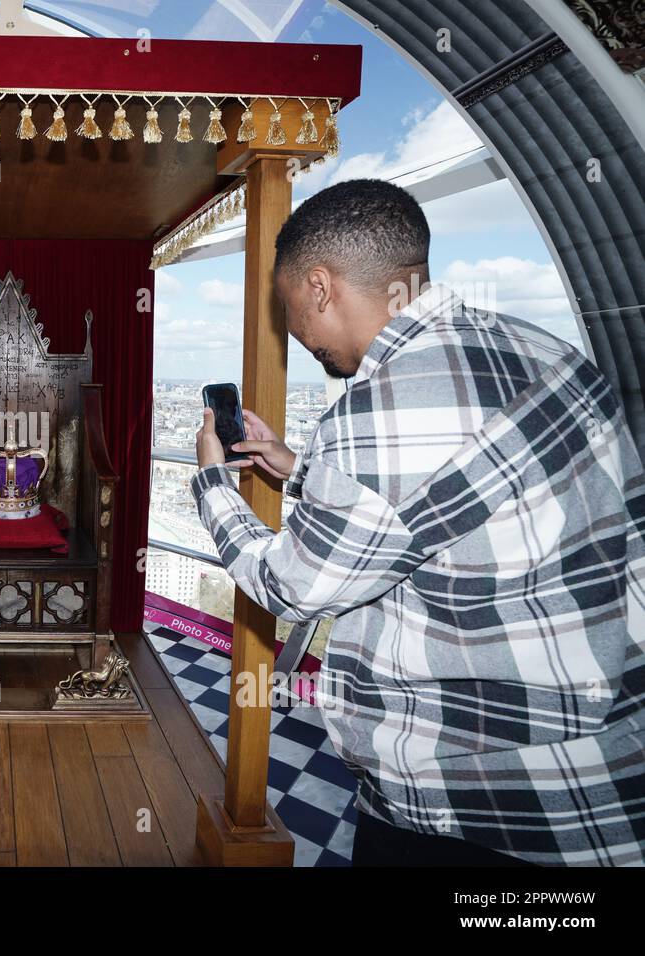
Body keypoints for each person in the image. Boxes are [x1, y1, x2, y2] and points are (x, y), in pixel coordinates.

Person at [191, 178, 645, 867]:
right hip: (602, 784)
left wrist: (210, 483)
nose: (296, 334)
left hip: (475, 803)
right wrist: (301, 468)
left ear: (319, 287)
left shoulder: (383, 410)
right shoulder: (546, 352)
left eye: (289, 311)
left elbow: (290, 587)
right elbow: (450, 502)